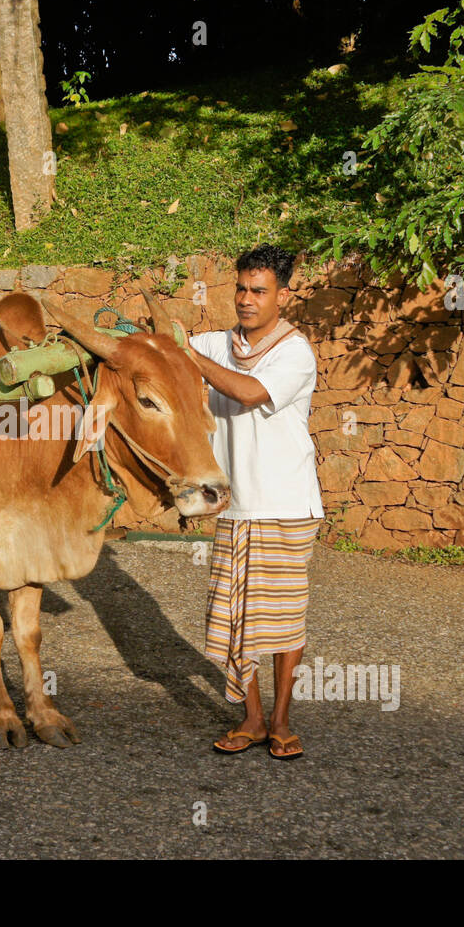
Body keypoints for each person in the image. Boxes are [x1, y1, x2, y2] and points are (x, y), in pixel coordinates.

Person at [187, 243, 324, 759]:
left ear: (282, 296)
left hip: (287, 504)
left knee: (284, 619)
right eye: (241, 288)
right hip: (237, 506)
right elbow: (167, 347)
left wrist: (190, 357)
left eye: (258, 291)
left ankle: (284, 719)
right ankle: (252, 717)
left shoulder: (295, 351)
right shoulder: (218, 343)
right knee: (238, 618)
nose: (246, 299)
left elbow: (248, 393)